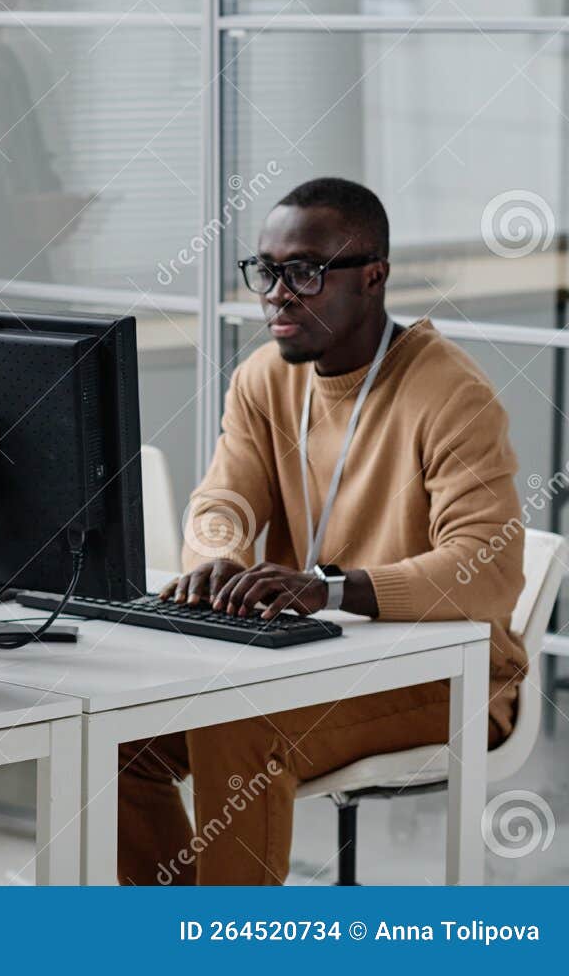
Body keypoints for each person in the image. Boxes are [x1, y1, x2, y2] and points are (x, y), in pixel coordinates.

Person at [121, 177, 527, 885]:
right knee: (120, 733)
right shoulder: (263, 379)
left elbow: (486, 570)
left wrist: (334, 588)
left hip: (446, 674)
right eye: (266, 271)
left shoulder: (451, 393)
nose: (278, 291)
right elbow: (222, 502)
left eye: (304, 270)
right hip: (301, 659)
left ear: (373, 277)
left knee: (238, 721)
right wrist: (218, 554)